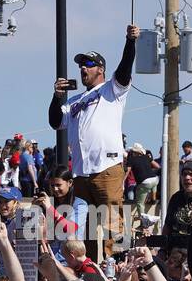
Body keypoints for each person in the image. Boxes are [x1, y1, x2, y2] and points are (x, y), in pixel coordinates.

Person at [47, 24, 141, 255]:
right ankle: (87, 268)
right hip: (81, 171)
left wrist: (130, 42)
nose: (82, 68)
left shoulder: (112, 89)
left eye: (88, 64)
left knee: (113, 222)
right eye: (80, 65)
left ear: (101, 69)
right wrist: (57, 97)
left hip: (107, 167)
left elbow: (124, 69)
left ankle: (118, 266)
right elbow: (56, 121)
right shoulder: (76, 99)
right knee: (85, 226)